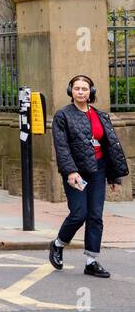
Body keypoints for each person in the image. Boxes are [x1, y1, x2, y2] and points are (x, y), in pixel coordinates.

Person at [49, 74, 128, 278]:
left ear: (91, 92)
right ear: (71, 91)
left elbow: (110, 147)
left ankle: (91, 261)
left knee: (95, 215)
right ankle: (58, 244)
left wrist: (113, 176)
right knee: (79, 213)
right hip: (76, 171)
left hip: (98, 170)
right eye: (77, 88)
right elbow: (62, 147)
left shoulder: (101, 116)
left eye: (85, 89)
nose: (81, 92)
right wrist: (70, 171)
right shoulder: (63, 116)